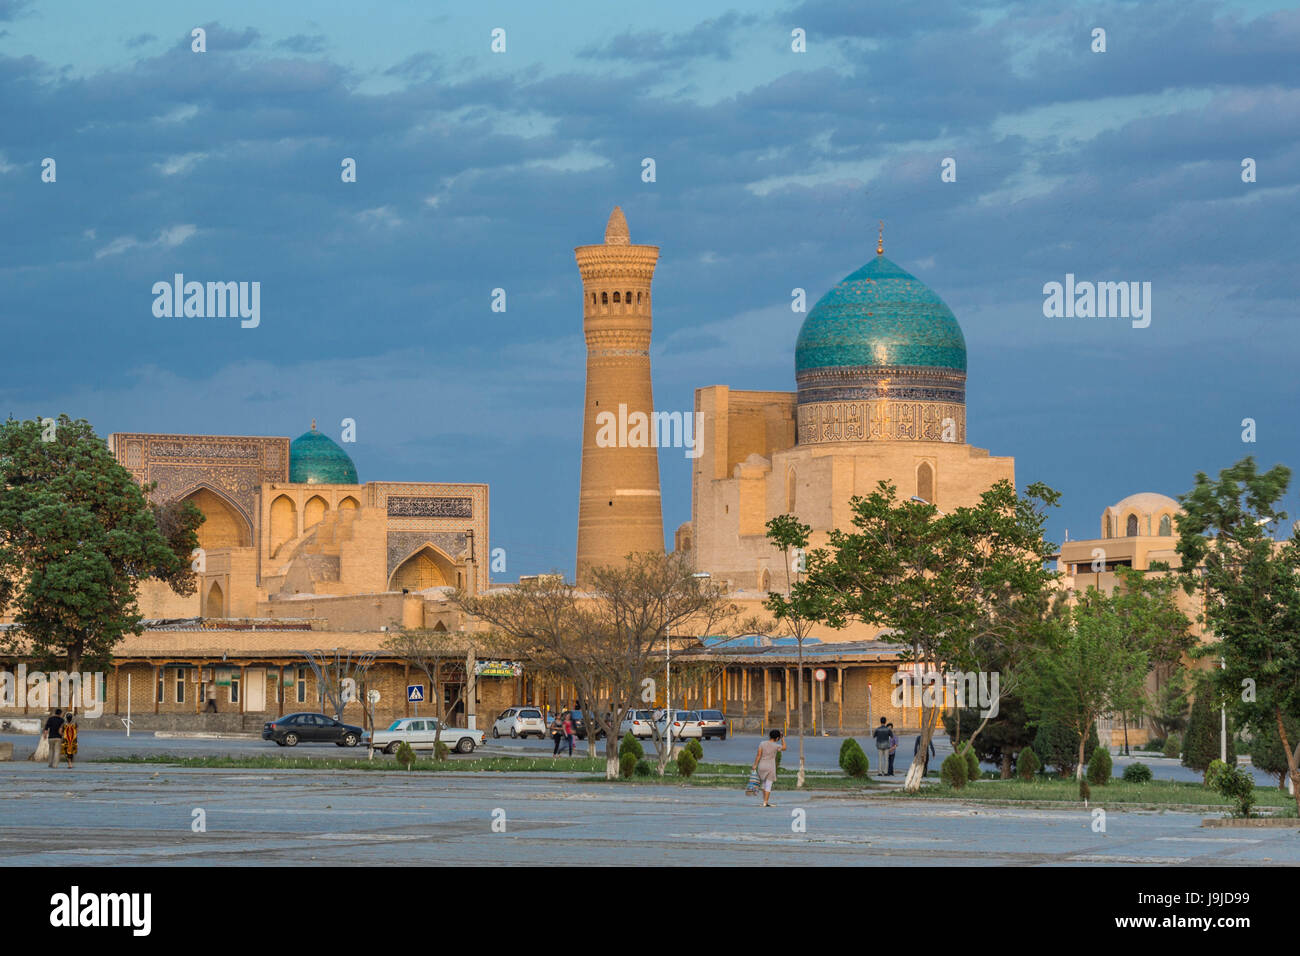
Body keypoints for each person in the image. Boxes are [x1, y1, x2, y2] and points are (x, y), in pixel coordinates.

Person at [752, 729, 785, 807]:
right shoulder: (776, 745)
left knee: (763, 784)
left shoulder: (762, 743)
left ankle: (765, 801)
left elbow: (758, 755)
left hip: (761, 766)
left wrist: (755, 765)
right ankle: (765, 802)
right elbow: (784, 747)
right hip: (770, 767)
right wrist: (783, 738)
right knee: (768, 785)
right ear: (777, 738)